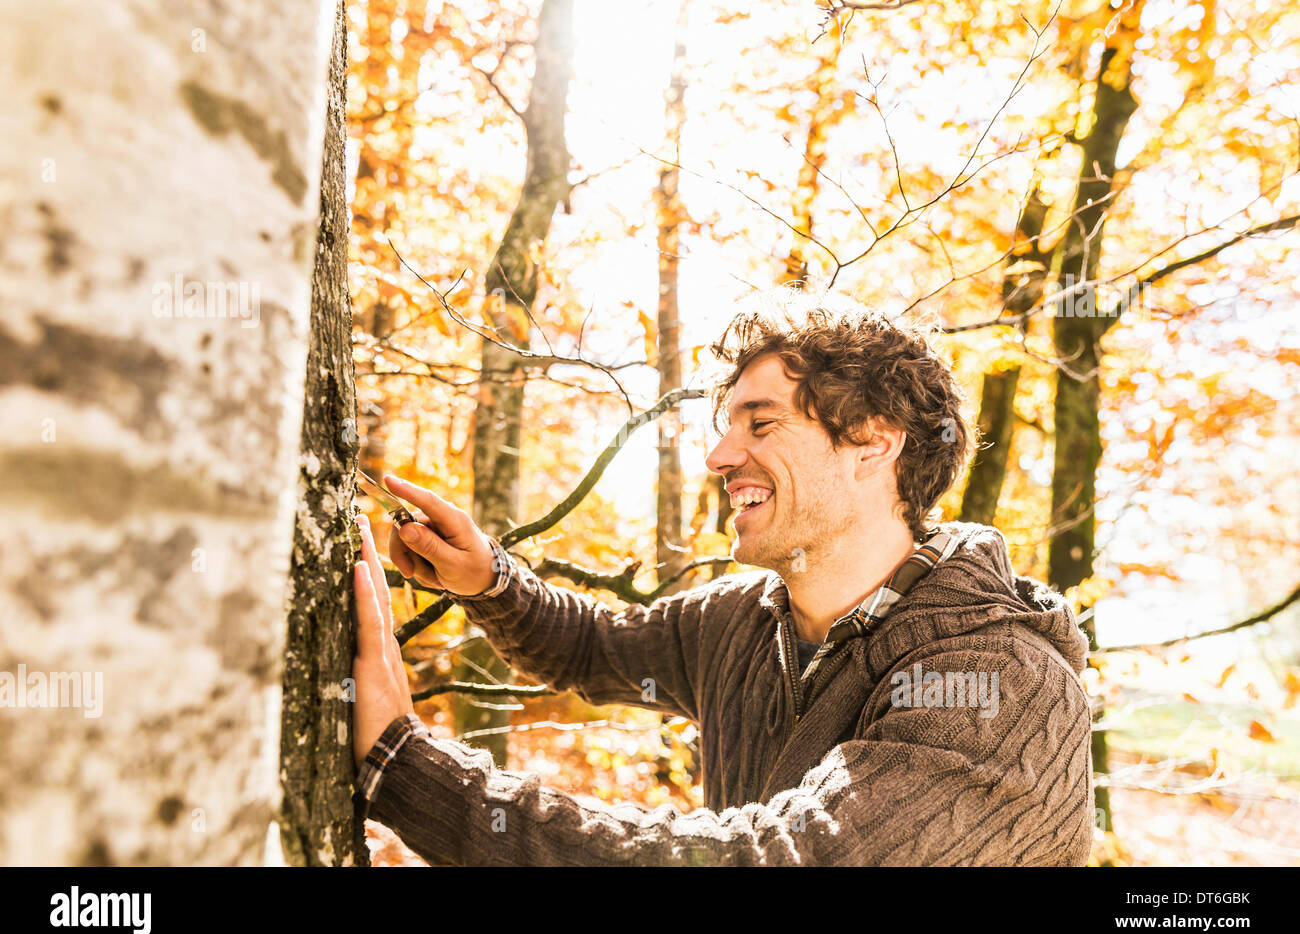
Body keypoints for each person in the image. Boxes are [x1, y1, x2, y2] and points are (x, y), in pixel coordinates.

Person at [349, 286, 1095, 866]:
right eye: (726, 427)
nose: (719, 458)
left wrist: (407, 770)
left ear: (872, 444)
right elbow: (594, 647)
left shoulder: (1003, 683)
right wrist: (491, 582)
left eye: (760, 424)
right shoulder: (747, 618)